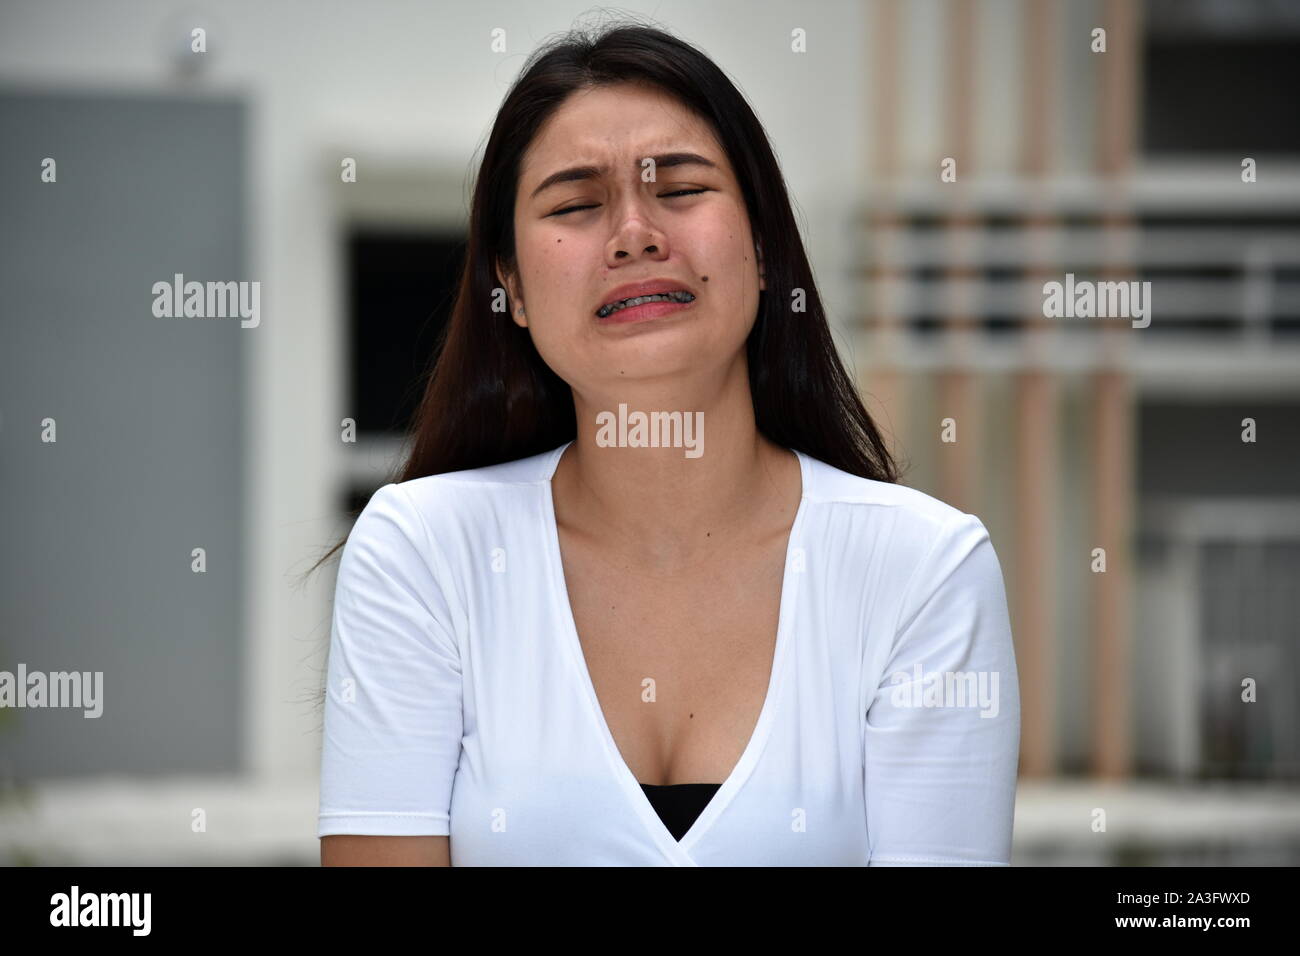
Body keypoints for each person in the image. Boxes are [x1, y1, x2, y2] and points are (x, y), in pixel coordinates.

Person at [316, 20, 1020, 866]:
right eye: (576, 205)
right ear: (512, 287)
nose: (635, 233)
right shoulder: (421, 553)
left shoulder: (923, 570)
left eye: (681, 190)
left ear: (763, 248)